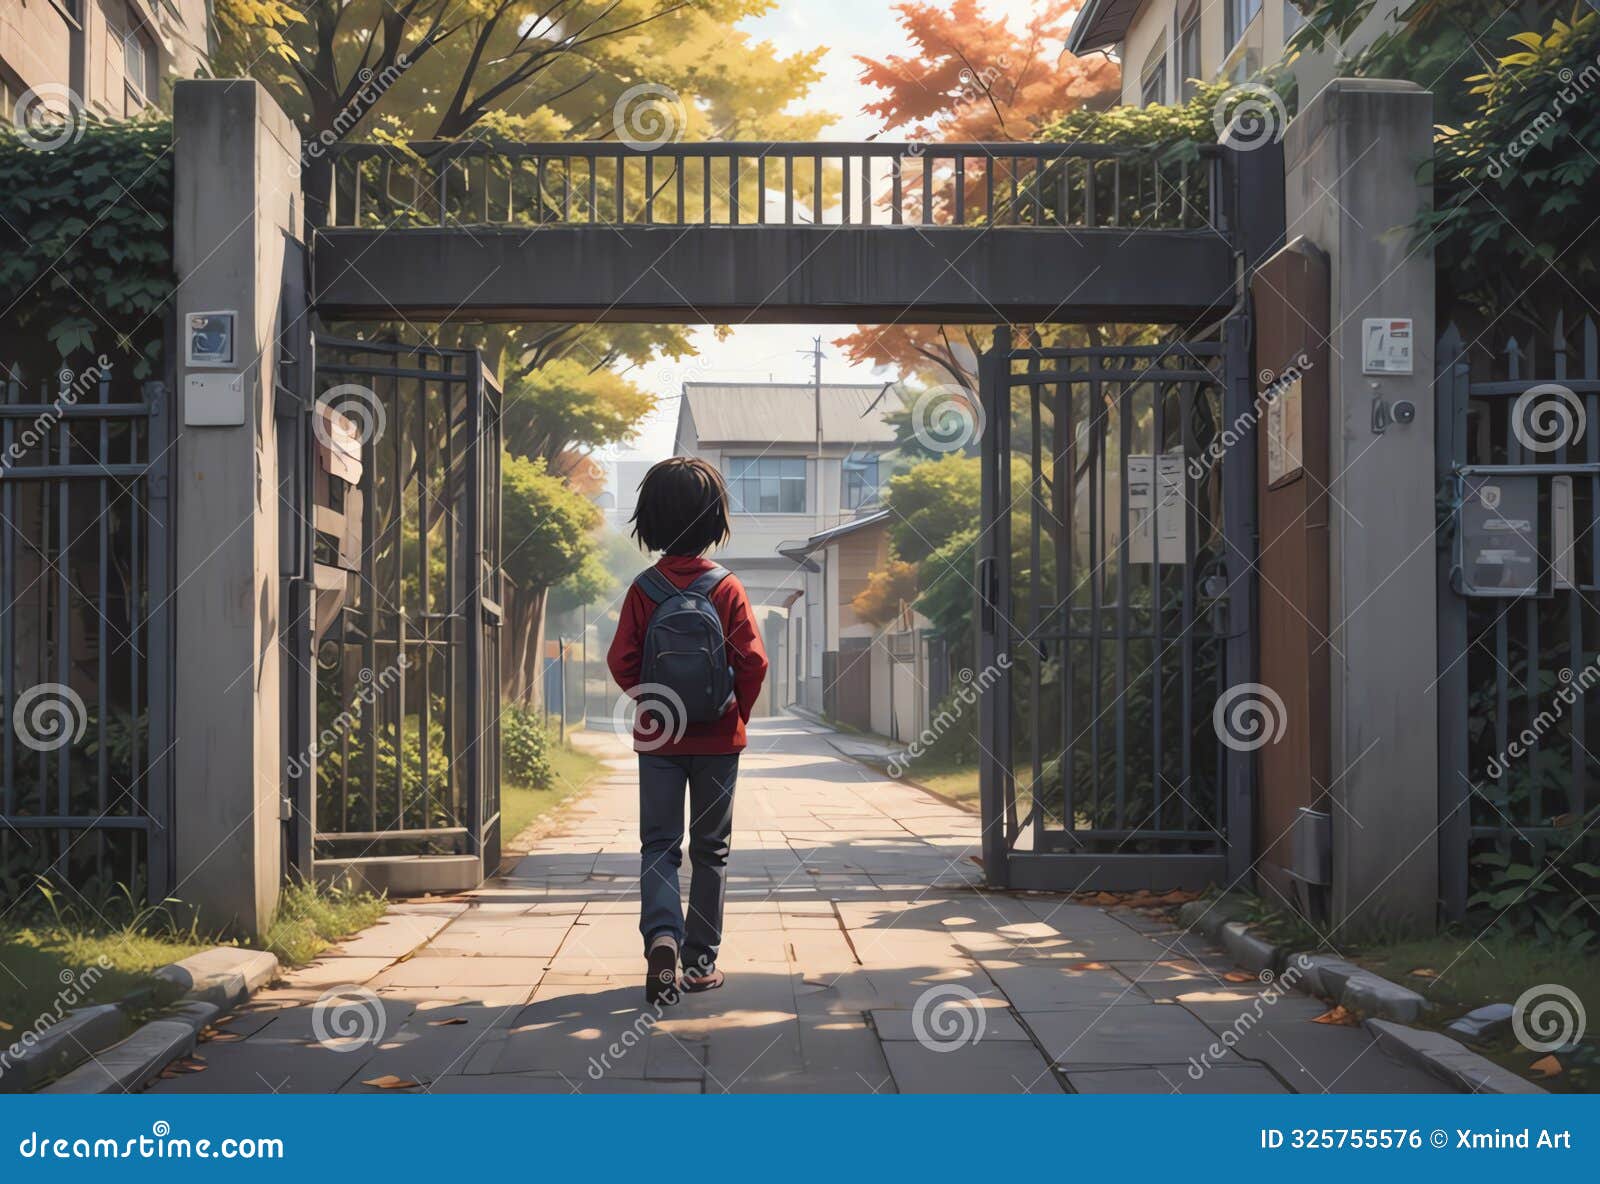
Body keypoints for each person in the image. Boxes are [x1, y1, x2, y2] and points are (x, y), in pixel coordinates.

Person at [606, 457, 768, 1003]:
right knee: (710, 849)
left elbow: (622, 660)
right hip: (719, 739)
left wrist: (654, 706)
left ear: (648, 519)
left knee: (659, 844)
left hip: (658, 738)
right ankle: (699, 963)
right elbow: (753, 662)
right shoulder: (726, 588)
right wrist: (732, 712)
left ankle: (661, 938)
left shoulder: (642, 589)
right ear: (713, 520)